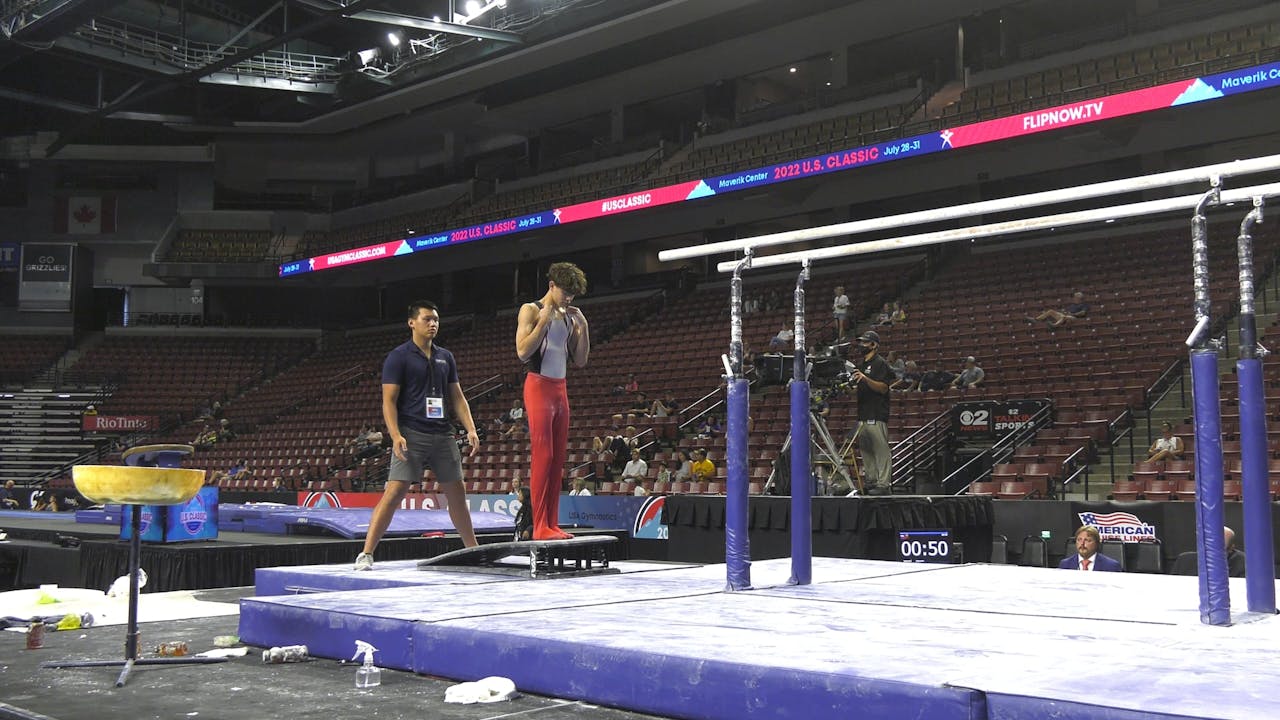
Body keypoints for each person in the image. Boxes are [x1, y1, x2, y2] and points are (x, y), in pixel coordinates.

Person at [355, 300, 480, 571]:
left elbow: (457, 397)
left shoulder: (446, 357)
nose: (433, 324)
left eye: (436, 319)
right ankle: (366, 553)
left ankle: (473, 550)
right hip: (411, 434)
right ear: (412, 322)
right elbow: (388, 401)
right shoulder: (398, 357)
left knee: (457, 493)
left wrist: (470, 428)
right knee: (394, 491)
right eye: (427, 319)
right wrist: (395, 435)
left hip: (443, 434)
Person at [516, 262, 590, 540]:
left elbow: (580, 360)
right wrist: (543, 322)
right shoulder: (531, 310)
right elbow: (523, 352)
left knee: (558, 458)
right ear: (551, 286)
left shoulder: (569, 317)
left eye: (573, 295)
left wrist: (583, 326)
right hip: (538, 387)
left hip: (560, 389)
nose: (569, 299)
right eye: (566, 293)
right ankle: (539, 526)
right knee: (544, 455)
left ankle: (552, 523)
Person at [848, 330, 893, 495]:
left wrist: (865, 378)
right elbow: (857, 389)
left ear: (874, 345)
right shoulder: (861, 365)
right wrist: (847, 387)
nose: (861, 345)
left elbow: (883, 388)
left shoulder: (880, 363)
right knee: (866, 451)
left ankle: (884, 484)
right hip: (863, 414)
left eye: (865, 342)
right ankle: (871, 481)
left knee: (881, 451)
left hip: (876, 414)